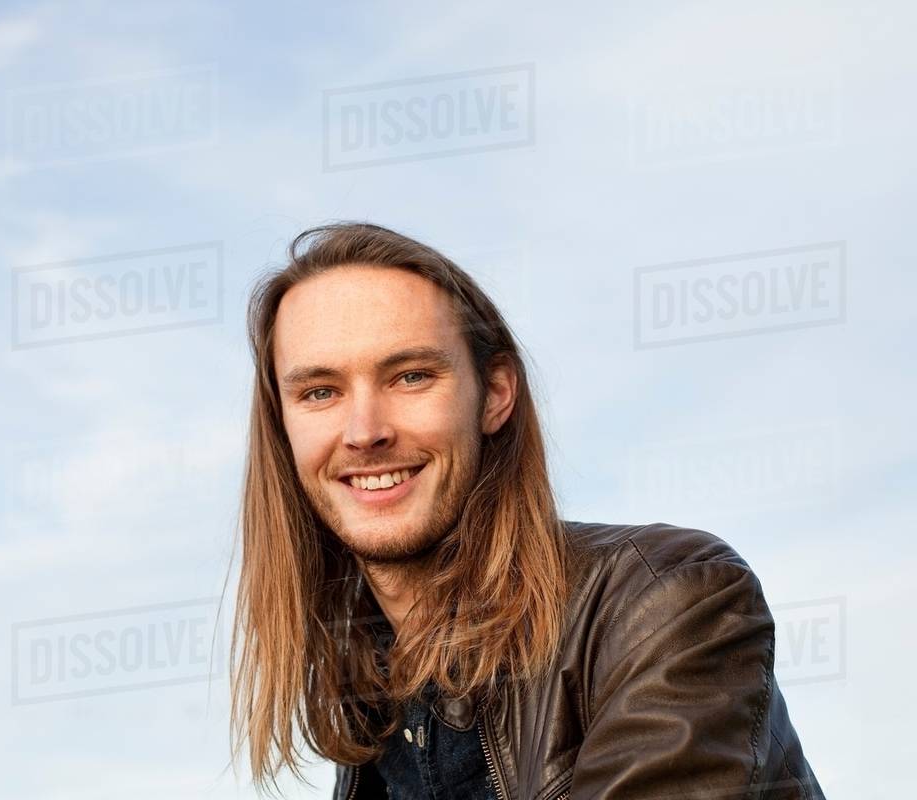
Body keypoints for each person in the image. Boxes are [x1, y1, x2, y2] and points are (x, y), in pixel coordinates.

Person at [227, 221, 824, 799]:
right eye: (320, 392)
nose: (364, 432)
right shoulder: (374, 697)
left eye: (410, 376)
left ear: (495, 395)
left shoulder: (665, 600)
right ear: (282, 426)